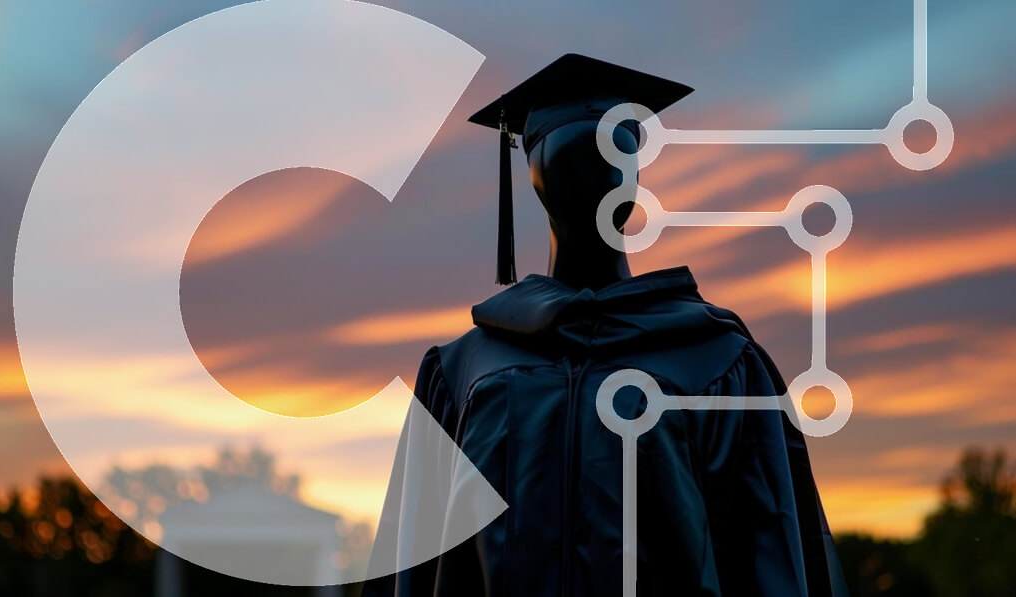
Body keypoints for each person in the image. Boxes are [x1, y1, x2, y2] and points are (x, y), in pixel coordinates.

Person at [363, 54, 847, 596]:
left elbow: (773, 559)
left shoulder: (718, 362)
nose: (596, 175)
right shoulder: (460, 375)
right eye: (569, 156)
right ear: (533, 173)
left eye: (615, 153)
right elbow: (414, 574)